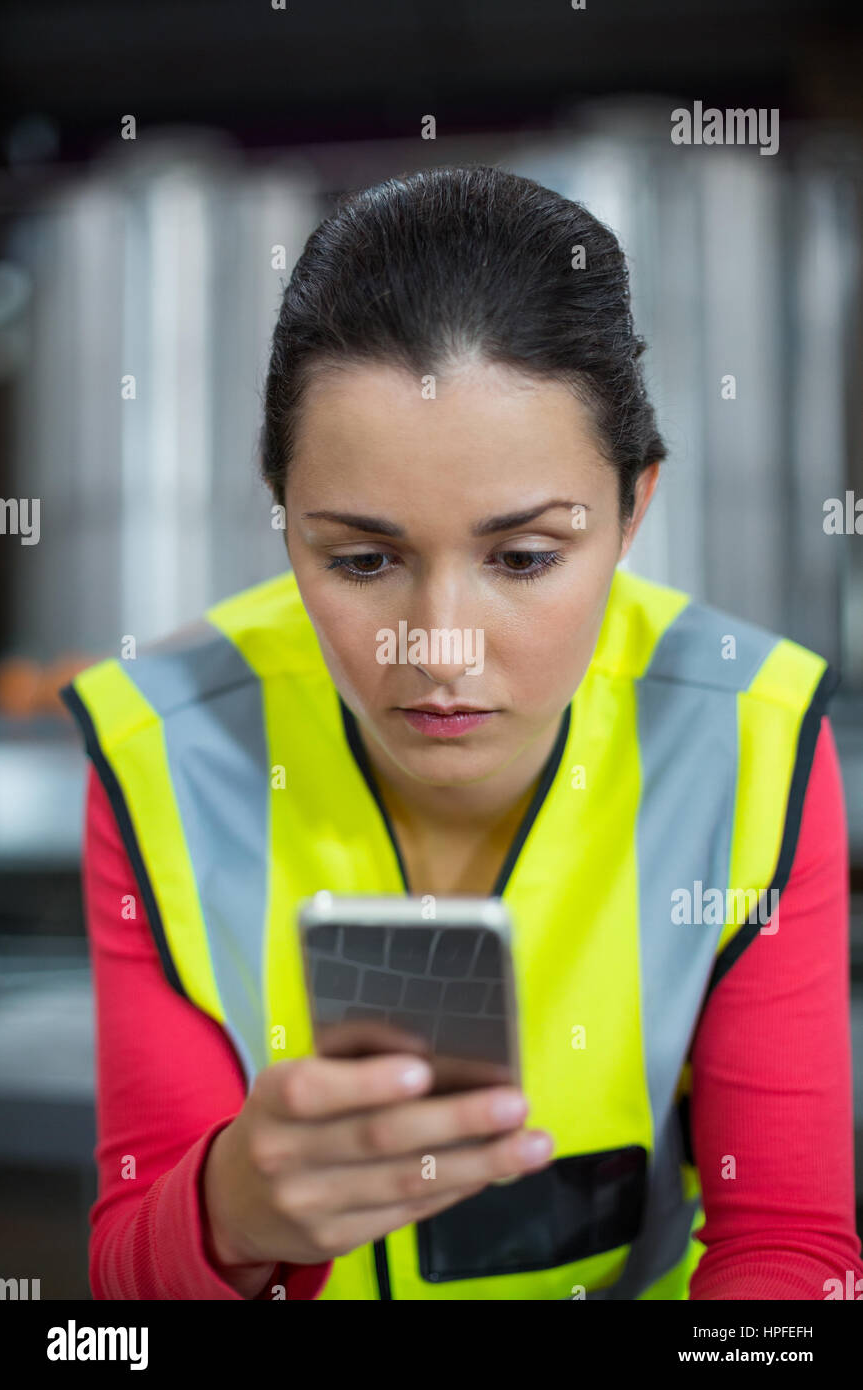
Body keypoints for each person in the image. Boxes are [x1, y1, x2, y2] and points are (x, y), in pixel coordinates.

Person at [62, 164, 863, 1300]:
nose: (435, 651)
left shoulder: (749, 740)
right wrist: (226, 1212)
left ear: (633, 507)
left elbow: (787, 1251)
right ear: (282, 517)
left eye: (524, 559)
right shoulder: (161, 751)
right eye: (361, 560)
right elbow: (122, 1305)